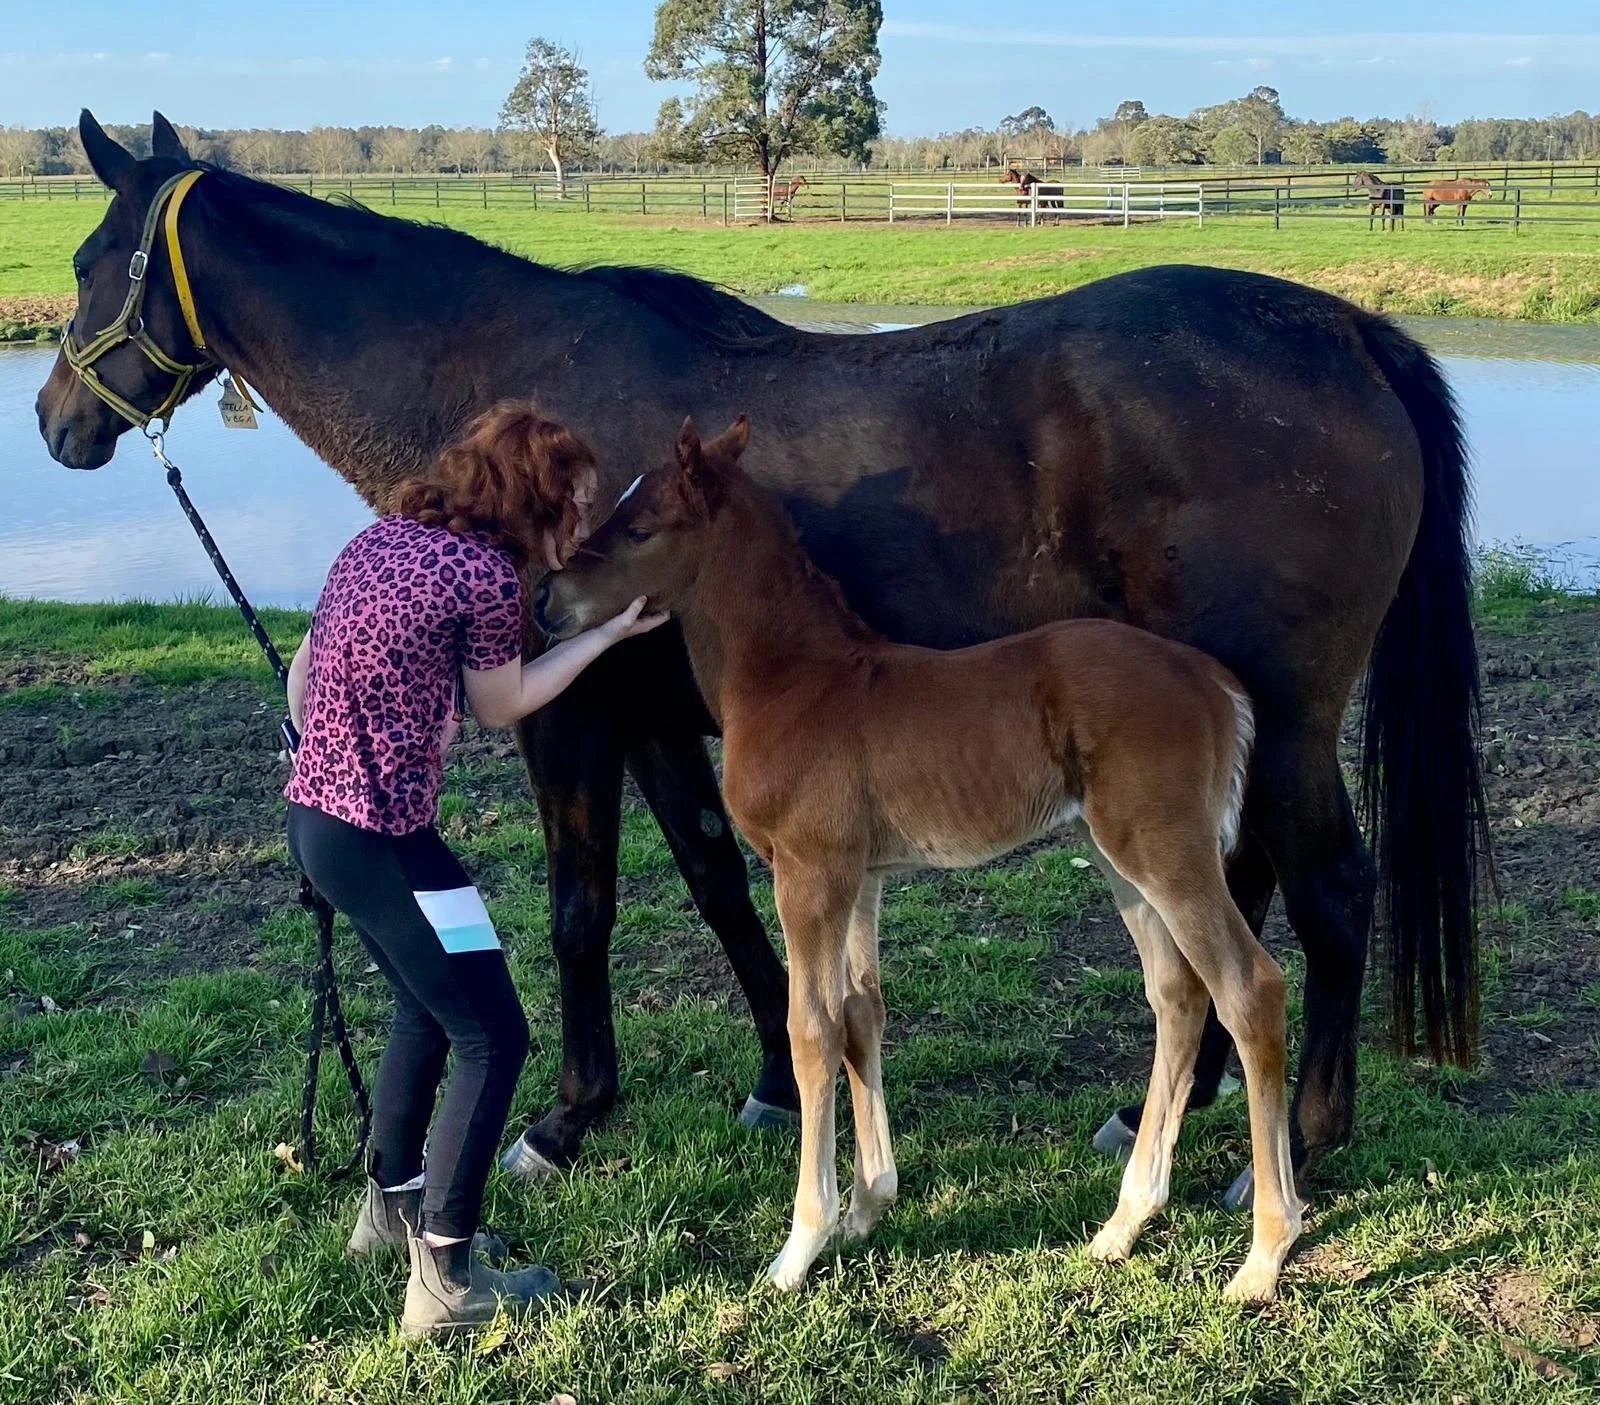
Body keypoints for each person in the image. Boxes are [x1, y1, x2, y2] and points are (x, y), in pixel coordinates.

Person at [283, 401, 666, 1336]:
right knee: (496, 1034)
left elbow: (302, 669)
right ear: (527, 498)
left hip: (321, 826)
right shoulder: (484, 577)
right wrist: (607, 636)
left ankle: (392, 1207)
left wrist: (322, 752)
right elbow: (505, 704)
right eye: (569, 506)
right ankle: (447, 1278)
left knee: (431, 1004)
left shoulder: (378, 540)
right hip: (384, 842)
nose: (578, 528)